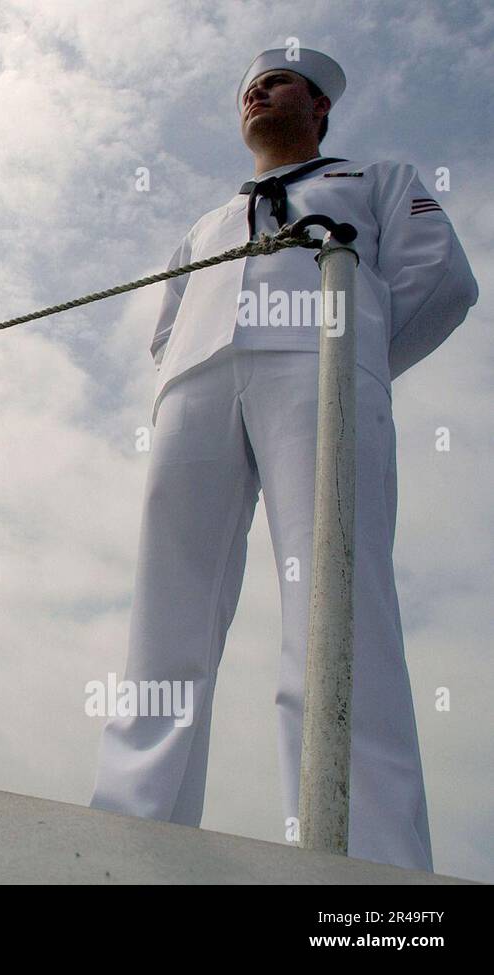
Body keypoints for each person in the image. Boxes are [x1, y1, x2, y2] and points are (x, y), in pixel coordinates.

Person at [89, 48, 478, 873]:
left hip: (323, 365)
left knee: (337, 600)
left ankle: (370, 864)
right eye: (250, 88)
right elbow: (168, 323)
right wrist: (191, 372)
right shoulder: (206, 224)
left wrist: (354, 357)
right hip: (197, 385)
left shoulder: (376, 176)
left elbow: (441, 280)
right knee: (168, 610)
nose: (260, 93)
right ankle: (132, 831)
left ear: (320, 109)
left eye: (280, 84)